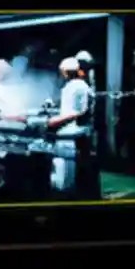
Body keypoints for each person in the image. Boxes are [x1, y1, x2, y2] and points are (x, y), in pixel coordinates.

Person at [48, 57, 94, 194]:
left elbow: (77, 111)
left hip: (73, 134)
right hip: (67, 133)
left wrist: (55, 121)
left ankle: (68, 191)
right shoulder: (70, 86)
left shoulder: (79, 87)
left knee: (68, 169)